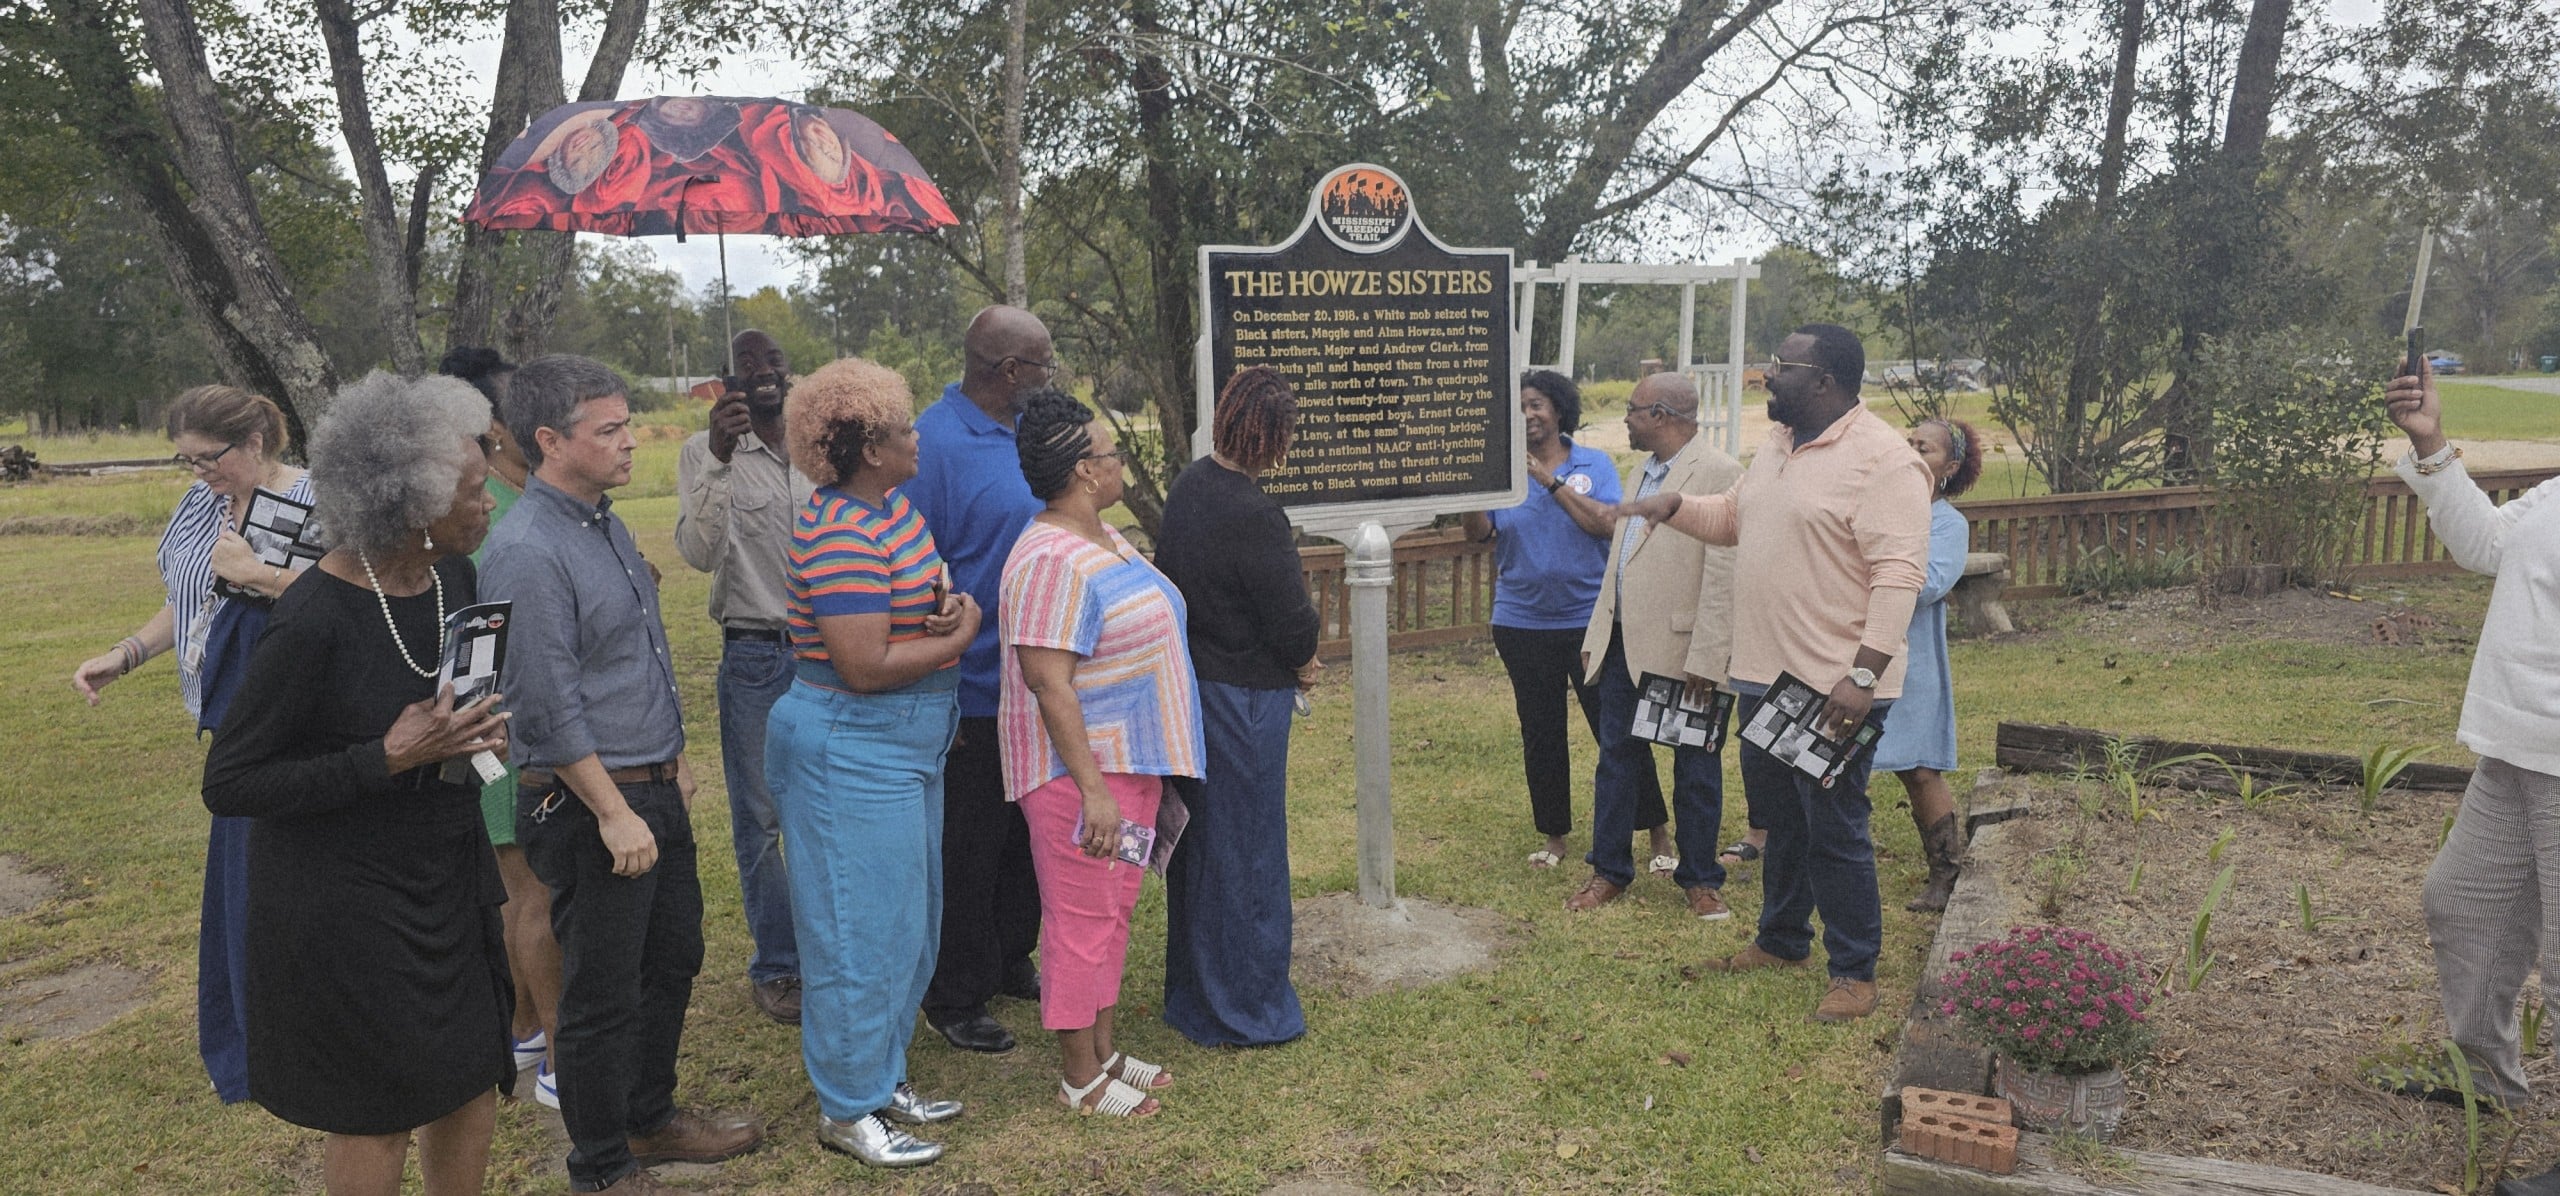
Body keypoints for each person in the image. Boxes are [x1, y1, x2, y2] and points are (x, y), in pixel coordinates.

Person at [199, 372, 511, 1195]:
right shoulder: (313, 617)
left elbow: (443, 710)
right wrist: (383, 757)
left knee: (470, 1074)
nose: (489, 505)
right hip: (346, 900)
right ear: (411, 506)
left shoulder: (455, 580)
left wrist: (471, 735)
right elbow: (232, 782)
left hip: (445, 869)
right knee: (379, 1107)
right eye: (475, 492)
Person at [480, 355, 761, 1194]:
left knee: (672, 957)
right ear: (548, 441)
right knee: (602, 991)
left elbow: (629, 663)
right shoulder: (527, 549)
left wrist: (666, 771)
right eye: (609, 430)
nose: (630, 442)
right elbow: (544, 703)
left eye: (626, 423)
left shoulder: (597, 524)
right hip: (588, 802)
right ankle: (600, 1164)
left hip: (649, 786)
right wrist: (611, 808)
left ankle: (648, 1118)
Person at [1617, 323, 1931, 1022]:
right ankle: (1783, 939)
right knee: (1781, 822)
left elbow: (1899, 576)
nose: (1767, 375)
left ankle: (1854, 970)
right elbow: (1734, 519)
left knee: (1835, 826)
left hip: (1831, 686)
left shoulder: (1885, 462)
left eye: (1781, 367)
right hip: (1761, 677)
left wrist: (1863, 676)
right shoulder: (1780, 447)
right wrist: (1674, 507)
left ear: (1824, 382)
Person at [762, 358, 978, 1167]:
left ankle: (881, 1076)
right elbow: (861, 662)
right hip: (850, 746)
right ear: (868, 448)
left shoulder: (892, 513)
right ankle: (848, 1110)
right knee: (856, 932)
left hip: (901, 745)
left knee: (906, 923)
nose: (918, 437)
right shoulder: (843, 531)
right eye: (904, 430)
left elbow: (912, 603)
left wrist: (943, 607)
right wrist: (958, 637)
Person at [69, 384, 309, 1105]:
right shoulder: (201, 505)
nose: (199, 474)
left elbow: (360, 601)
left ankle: (301, 1037)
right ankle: (252, 1043)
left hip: (298, 723)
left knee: (284, 886)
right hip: (231, 722)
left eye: (210, 459)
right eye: (187, 461)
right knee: (242, 889)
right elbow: (188, 600)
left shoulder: (317, 500)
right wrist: (127, 653)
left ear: (256, 444)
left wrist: (261, 576)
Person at [2380, 361, 2560, 1196]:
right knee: (2461, 901)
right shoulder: (2558, 496)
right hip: (2514, 749)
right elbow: (2484, 546)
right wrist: (2431, 443)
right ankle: (2487, 1074)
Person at [999, 389, 1203, 1117]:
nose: (1119, 462)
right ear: (1085, 471)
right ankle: (1079, 1078)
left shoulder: (1101, 534)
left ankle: (1107, 1053)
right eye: (1111, 453)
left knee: (1112, 912)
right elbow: (1049, 686)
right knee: (1080, 921)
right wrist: (1093, 792)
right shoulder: (1049, 559)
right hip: (1078, 777)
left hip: (1131, 765)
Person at [1153, 366, 1320, 1048]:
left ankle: (1194, 994)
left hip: (1195, 688)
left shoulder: (1193, 484)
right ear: (1273, 438)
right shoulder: (1256, 513)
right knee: (1247, 850)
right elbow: (1292, 622)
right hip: (1246, 701)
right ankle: (1249, 1008)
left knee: (1201, 844)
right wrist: (1306, 665)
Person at [902, 305, 1053, 1054]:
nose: (1050, 376)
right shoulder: (934, 444)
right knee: (968, 842)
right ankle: (955, 992)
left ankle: (1007, 955)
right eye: (1044, 365)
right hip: (972, 684)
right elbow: (911, 561)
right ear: (1008, 371)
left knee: (1027, 835)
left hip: (1041, 679)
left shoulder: (1027, 431)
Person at [1459, 370, 1656, 873]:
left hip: (1592, 620)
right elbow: (1478, 535)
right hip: (1521, 621)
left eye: (1537, 404)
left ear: (1559, 410)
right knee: (1541, 731)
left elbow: (1604, 524)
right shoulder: (1502, 469)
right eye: (1519, 405)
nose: (1528, 414)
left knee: (1615, 727)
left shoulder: (1595, 463)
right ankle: (1554, 836)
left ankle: (1657, 833)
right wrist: (1474, 487)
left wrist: (1549, 482)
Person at [1566, 371, 1743, 917]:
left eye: (1633, 409)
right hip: (1624, 645)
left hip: (1685, 649)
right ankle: (1610, 871)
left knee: (1695, 766)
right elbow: (1620, 564)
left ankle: (1699, 880)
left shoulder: (1720, 473)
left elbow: (1723, 574)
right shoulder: (1641, 471)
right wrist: (1599, 634)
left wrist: (1708, 657)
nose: (1625, 418)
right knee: (1616, 760)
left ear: (1662, 416)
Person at [440, 346, 565, 1105]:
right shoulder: (487, 509)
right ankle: (559, 1052)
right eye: (520, 406)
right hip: (504, 722)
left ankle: (522, 1025)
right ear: (490, 425)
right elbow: (475, 632)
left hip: (510, 716)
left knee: (522, 888)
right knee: (534, 891)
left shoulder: (523, 493)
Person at [675, 329, 810, 1025]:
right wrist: (721, 462)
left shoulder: (817, 446)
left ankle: (828, 952)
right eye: (748, 364)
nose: (763, 373)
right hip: (755, 655)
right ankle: (778, 965)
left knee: (827, 807)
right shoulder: (703, 453)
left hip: (826, 655)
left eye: (774, 360)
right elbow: (698, 554)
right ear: (726, 378)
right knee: (761, 819)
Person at [1872, 416, 1984, 913]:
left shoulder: (1946, 524)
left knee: (1918, 769)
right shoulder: (1876, 507)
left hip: (1911, 657)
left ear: (1950, 466)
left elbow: (1932, 583)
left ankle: (1945, 872)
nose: (1913, 452)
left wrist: (1875, 574)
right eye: (1909, 443)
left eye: (1927, 448)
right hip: (1850, 651)